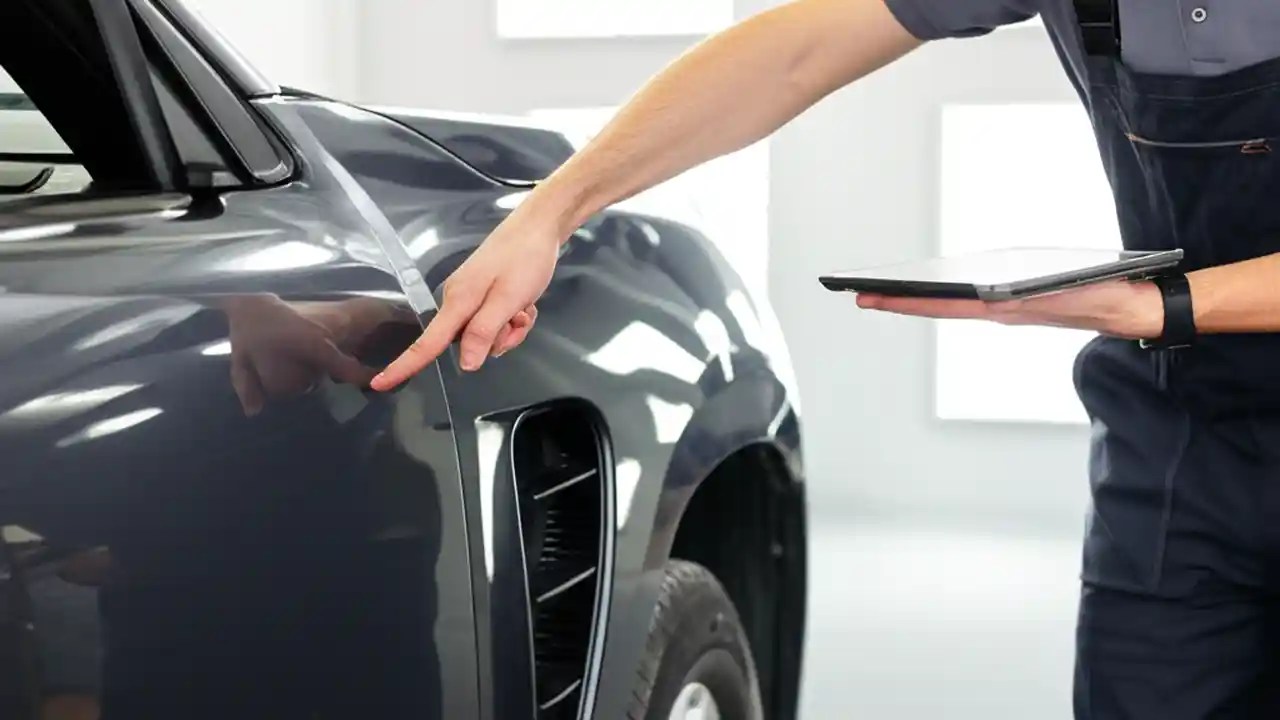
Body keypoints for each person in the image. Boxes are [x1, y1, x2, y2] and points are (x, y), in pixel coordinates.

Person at [370, 0, 1280, 715]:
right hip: (1179, 445)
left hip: (1176, 338)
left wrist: (1164, 304)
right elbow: (794, 50)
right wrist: (552, 211)